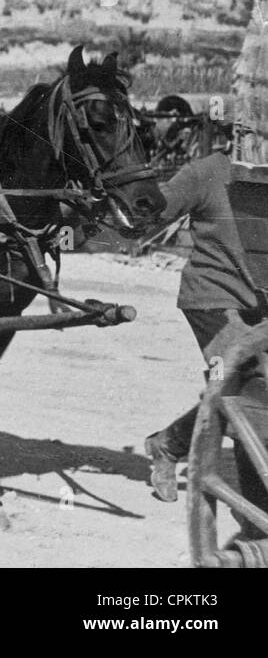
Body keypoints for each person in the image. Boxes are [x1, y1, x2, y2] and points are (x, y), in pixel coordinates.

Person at [143, 150, 267, 530]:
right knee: (248, 389)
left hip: (258, 302)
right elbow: (149, 211)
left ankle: (169, 443)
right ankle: (256, 514)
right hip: (212, 298)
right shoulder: (207, 172)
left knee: (237, 389)